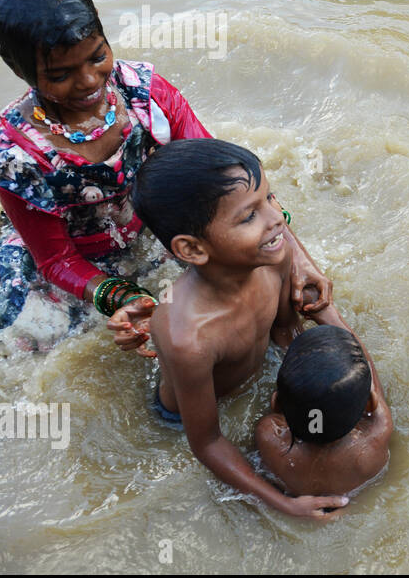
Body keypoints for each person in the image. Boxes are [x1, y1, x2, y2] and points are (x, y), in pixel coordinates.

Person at [0, 0, 330, 351]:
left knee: (244, 278)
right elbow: (55, 260)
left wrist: (298, 258)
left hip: (151, 234)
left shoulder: (145, 95)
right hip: (75, 264)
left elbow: (225, 181)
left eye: (98, 56)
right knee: (40, 339)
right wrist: (123, 298)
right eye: (61, 74)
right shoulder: (15, 157)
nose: (90, 81)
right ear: (15, 67)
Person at [131, 138, 347, 519]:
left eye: (270, 198)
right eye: (249, 216)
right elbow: (208, 442)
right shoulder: (187, 336)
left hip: (255, 374)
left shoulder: (272, 262)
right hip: (184, 418)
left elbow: (285, 333)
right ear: (193, 250)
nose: (277, 218)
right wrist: (283, 504)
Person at [256, 315, 393, 497]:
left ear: (276, 404)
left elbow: (314, 419)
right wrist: (327, 313)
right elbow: (369, 375)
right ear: (370, 403)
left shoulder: (268, 437)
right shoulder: (376, 439)